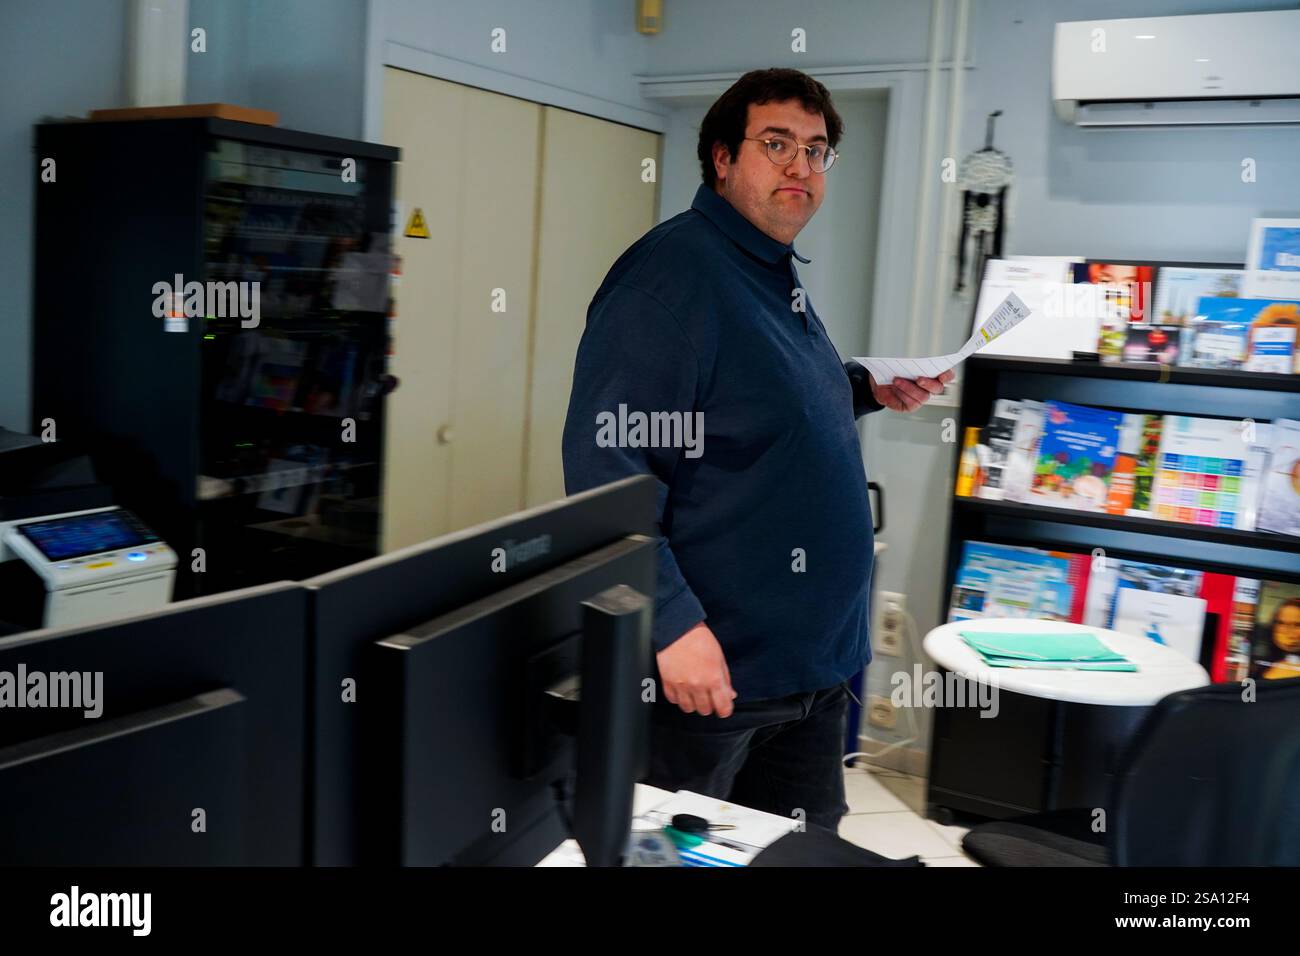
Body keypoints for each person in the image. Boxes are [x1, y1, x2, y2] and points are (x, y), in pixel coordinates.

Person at [561, 68, 951, 831]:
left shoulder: (771, 272)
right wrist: (671, 623)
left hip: (809, 670)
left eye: (816, 150)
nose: (800, 166)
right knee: (672, 856)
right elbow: (607, 463)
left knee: (797, 853)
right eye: (776, 144)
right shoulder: (674, 277)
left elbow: (756, 410)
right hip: (715, 677)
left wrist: (865, 387)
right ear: (721, 158)